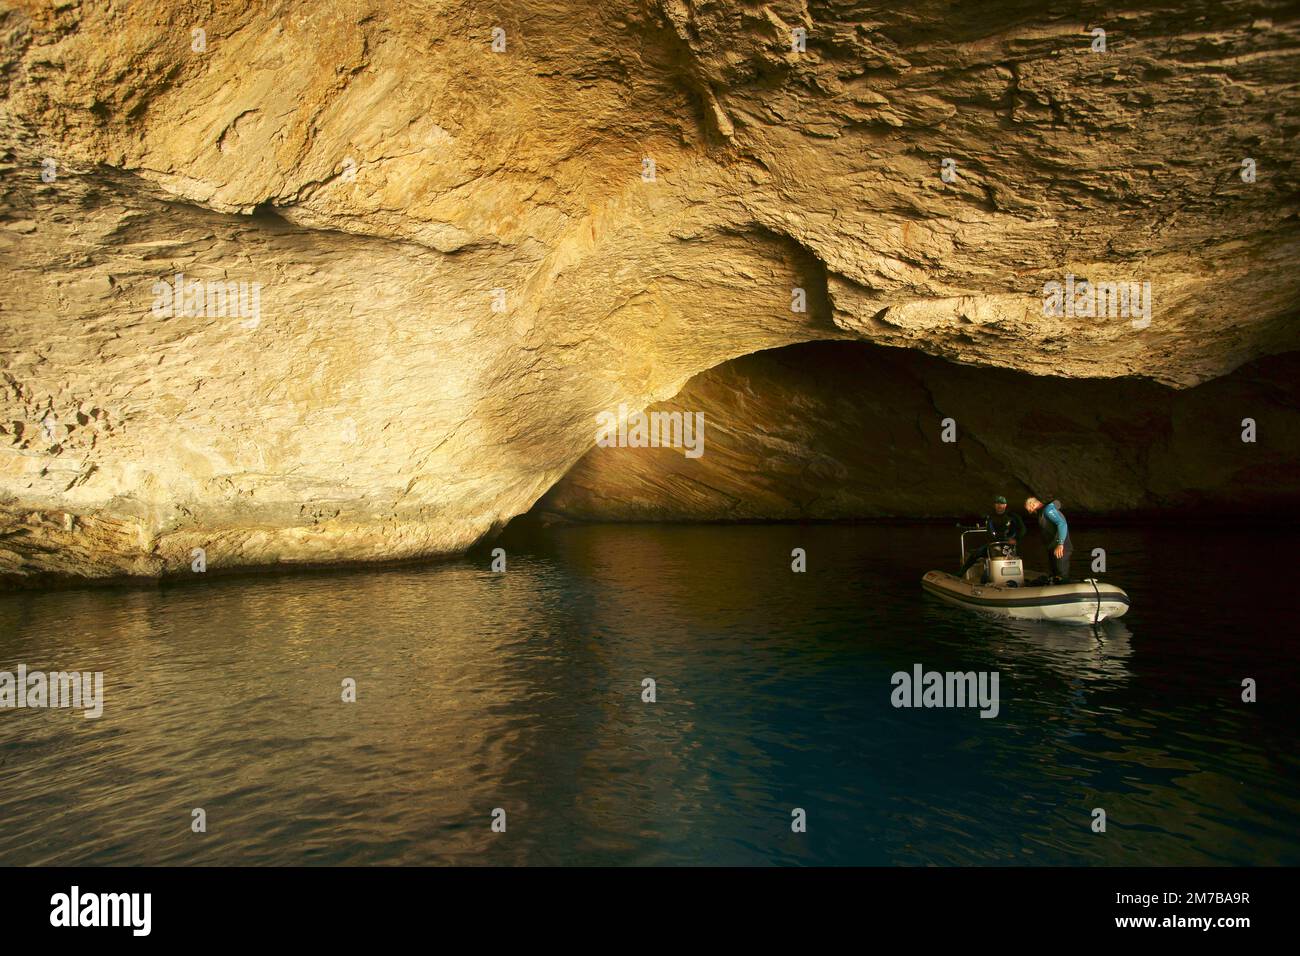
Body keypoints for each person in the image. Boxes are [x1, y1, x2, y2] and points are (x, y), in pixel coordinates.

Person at [959, 496, 1027, 578]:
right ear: (995, 505)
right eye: (997, 504)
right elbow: (989, 531)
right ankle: (961, 573)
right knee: (975, 554)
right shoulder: (991, 517)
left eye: (1002, 504)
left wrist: (1016, 539)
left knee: (1009, 558)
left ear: (1005, 505)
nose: (999, 506)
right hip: (994, 544)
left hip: (1009, 544)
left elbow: (1022, 529)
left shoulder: (1013, 516)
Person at [1024, 496, 1072, 583]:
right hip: (1053, 547)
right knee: (1055, 574)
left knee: (1061, 574)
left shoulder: (1048, 510)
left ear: (1032, 504)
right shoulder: (1042, 513)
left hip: (1061, 547)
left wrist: (1060, 544)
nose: (1030, 512)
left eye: (1029, 509)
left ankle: (1064, 585)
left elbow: (1062, 523)